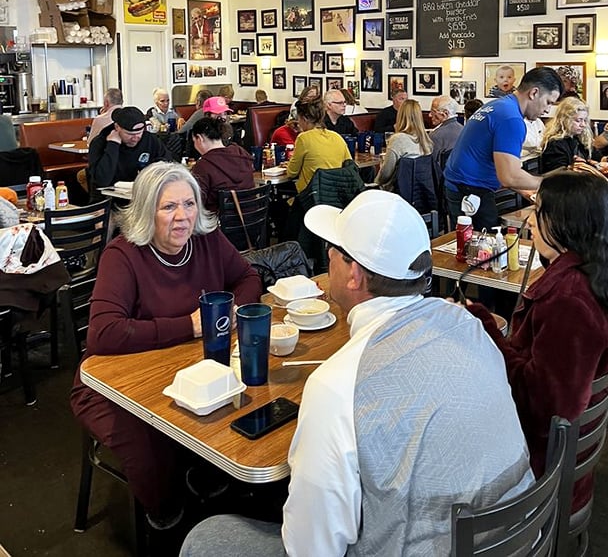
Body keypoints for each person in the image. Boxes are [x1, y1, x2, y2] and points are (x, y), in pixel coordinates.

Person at [180, 191, 533, 557]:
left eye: (334, 247)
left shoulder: (337, 385)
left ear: (355, 274)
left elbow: (313, 549)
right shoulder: (468, 324)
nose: (327, 254)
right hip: (521, 538)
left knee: (206, 537)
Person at [71, 162, 261, 530]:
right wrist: (189, 326)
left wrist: (232, 309)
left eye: (189, 204)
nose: (183, 217)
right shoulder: (123, 254)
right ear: (146, 210)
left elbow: (248, 277)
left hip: (185, 365)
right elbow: (104, 334)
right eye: (168, 207)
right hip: (111, 382)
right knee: (151, 438)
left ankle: (207, 474)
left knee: (245, 393)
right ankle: (164, 512)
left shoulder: (206, 239)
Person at [467, 170, 608, 513]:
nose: (530, 222)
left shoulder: (569, 300)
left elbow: (543, 409)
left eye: (538, 212)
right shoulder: (599, 271)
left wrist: (485, 326)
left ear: (566, 223)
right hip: (561, 456)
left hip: (542, 472)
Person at [444, 67, 563, 230]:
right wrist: (552, 185)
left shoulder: (499, 105)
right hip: (469, 189)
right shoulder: (511, 119)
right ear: (534, 93)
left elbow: (505, 168)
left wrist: (527, 191)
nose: (548, 110)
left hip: (461, 185)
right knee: (483, 250)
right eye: (548, 102)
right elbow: (509, 176)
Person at [88, 106, 168, 199]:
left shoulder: (149, 139)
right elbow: (101, 181)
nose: (135, 138)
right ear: (117, 127)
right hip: (109, 201)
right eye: (130, 134)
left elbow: (166, 164)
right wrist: (113, 145)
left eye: (139, 133)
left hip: (141, 198)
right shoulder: (100, 143)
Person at [286, 98, 351, 195]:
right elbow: (349, 165)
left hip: (311, 197)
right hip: (337, 196)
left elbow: (291, 173)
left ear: (305, 119)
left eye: (298, 119)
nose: (298, 123)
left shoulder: (303, 138)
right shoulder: (337, 137)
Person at [190, 117, 254, 212]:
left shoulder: (203, 166)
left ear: (199, 138)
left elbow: (197, 203)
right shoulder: (241, 152)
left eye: (194, 141)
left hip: (219, 224)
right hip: (253, 220)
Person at [375, 99, 432, 191]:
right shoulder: (426, 139)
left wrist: (376, 183)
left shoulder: (398, 139)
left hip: (398, 191)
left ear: (400, 115)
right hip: (420, 191)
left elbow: (386, 173)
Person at [539, 97, 593, 172]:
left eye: (584, 120)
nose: (583, 125)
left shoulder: (579, 139)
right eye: (578, 120)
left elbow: (595, 157)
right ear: (565, 120)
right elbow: (558, 174)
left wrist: (604, 159)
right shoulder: (555, 144)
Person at [428, 95, 463, 164]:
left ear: (445, 113)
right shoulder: (464, 130)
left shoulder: (436, 136)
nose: (430, 115)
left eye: (433, 111)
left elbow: (430, 165)